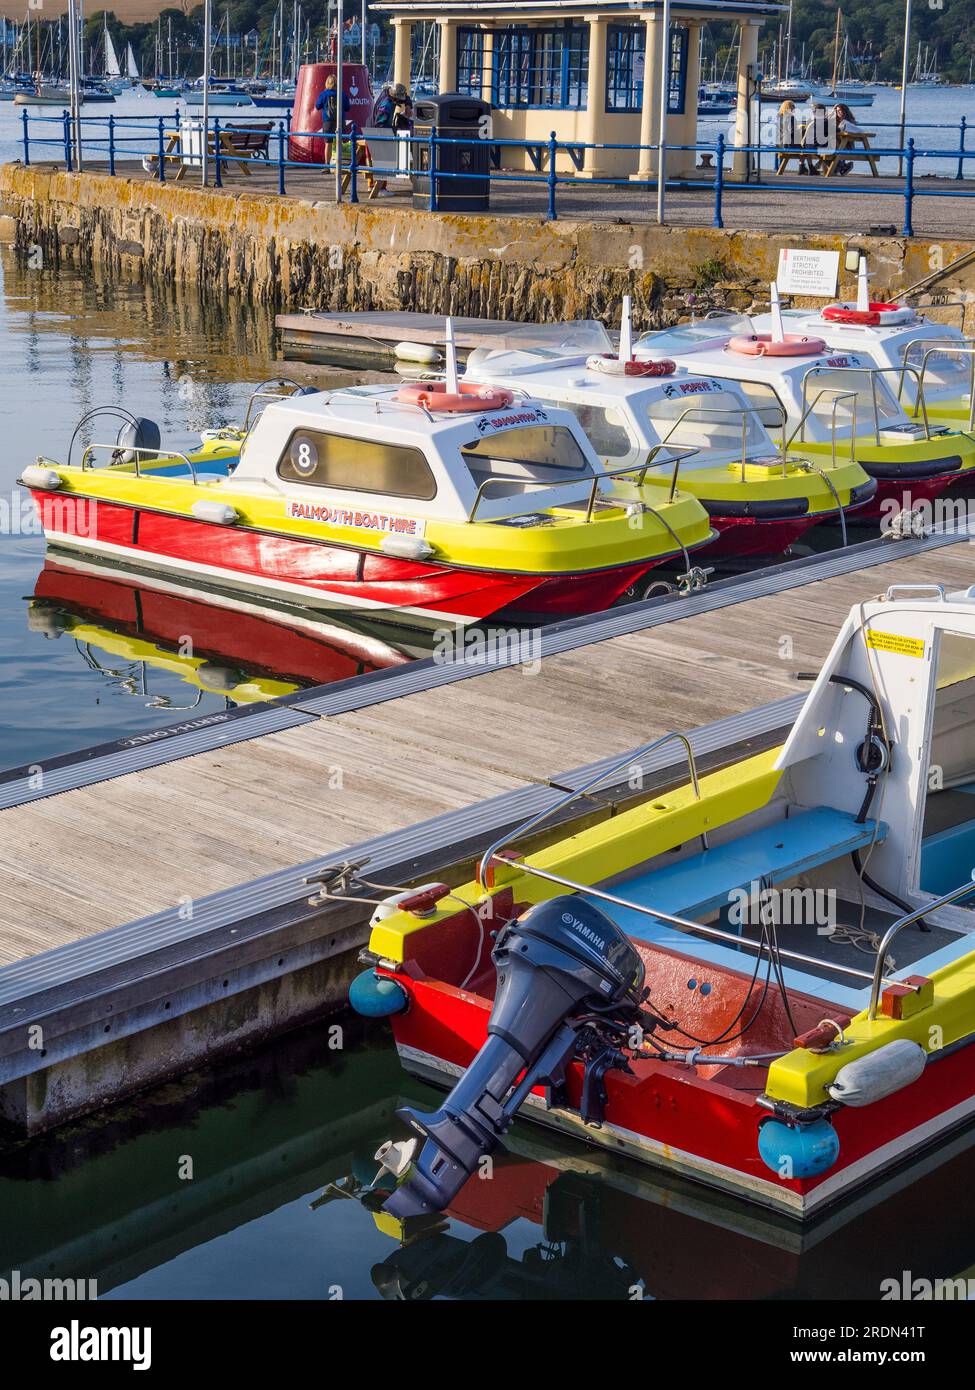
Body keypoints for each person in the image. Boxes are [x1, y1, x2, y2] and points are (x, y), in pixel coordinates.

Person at [316, 74, 351, 166]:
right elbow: (347, 107)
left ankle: (327, 165)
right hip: (340, 121)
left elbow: (317, 106)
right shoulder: (342, 93)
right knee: (339, 143)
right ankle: (339, 165)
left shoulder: (324, 94)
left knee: (328, 144)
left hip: (327, 122)